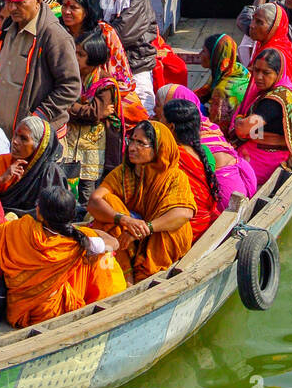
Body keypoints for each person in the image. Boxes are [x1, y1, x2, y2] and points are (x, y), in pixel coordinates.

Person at [0, 185, 125, 326]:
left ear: (39, 213)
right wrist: (91, 234)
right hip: (53, 312)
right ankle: (103, 301)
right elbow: (114, 243)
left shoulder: (19, 228)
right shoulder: (78, 242)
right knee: (100, 257)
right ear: (72, 215)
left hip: (18, 310)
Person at [88, 121, 195, 283]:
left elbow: (183, 213)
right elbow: (95, 201)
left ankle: (147, 274)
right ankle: (126, 274)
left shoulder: (174, 177)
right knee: (107, 203)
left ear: (158, 147)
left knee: (176, 228)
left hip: (156, 237)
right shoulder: (123, 173)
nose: (131, 147)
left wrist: (145, 229)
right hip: (128, 237)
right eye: (131, 141)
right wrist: (124, 220)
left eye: (140, 143)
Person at [0, 0, 81, 138]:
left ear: (38, 0)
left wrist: (37, 117)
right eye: (9, 2)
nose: (12, 8)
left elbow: (71, 87)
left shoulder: (54, 36)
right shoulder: (8, 26)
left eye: (20, 3)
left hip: (33, 138)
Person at [67, 31, 145, 201]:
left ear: (94, 57)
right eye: (74, 52)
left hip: (92, 147)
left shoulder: (104, 84)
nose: (75, 57)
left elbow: (94, 114)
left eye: (80, 54)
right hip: (72, 142)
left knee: (87, 190)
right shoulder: (72, 78)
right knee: (67, 185)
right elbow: (94, 112)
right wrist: (84, 110)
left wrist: (70, 108)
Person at [154, 83, 256, 208]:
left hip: (226, 197)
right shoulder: (209, 127)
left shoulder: (184, 146)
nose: (154, 110)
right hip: (243, 184)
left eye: (158, 105)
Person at [59, 0, 144, 124]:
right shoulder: (59, 32)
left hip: (103, 92)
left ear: (86, 11)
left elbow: (123, 77)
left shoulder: (105, 32)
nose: (66, 12)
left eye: (73, 7)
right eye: (64, 6)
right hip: (68, 91)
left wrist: (99, 96)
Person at [92, 0, 158, 114]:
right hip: (108, 67)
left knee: (141, 114)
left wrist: (90, 40)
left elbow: (121, 33)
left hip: (136, 65)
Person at [231, 49, 292, 189]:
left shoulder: (273, 102)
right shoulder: (286, 90)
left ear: (278, 73)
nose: (258, 77)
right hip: (274, 153)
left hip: (266, 159)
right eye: (256, 70)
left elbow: (243, 128)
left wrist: (238, 119)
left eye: (266, 73)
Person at [161, 98, 221, 240]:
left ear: (171, 127)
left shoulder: (169, 156)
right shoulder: (205, 151)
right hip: (206, 223)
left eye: (161, 120)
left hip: (186, 229)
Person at [0, 114, 66, 213]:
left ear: (39, 146)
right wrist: (0, 180)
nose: (15, 141)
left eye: (23, 138)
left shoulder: (50, 174)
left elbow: (56, 212)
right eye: (15, 135)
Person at [196, 33, 250, 134]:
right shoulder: (238, 68)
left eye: (204, 51)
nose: (200, 54)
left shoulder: (220, 91)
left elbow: (214, 125)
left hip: (229, 134)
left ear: (215, 57)